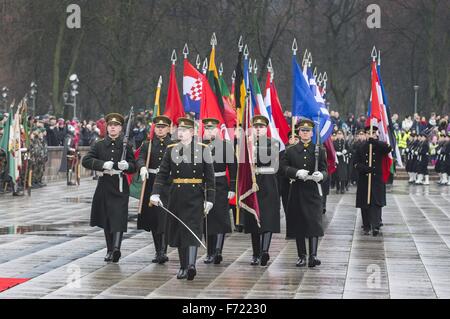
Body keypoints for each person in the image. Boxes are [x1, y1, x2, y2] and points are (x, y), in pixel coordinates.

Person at [150, 117, 215, 281]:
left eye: (185, 130)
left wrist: (210, 199)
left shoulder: (203, 149)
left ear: (192, 132)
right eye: (180, 130)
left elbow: (210, 177)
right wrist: (155, 192)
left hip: (195, 195)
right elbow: (163, 173)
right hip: (177, 194)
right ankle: (183, 266)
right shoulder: (171, 149)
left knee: (193, 228)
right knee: (180, 230)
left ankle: (191, 265)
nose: (181, 133)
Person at [82, 113, 137, 263]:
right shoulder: (99, 145)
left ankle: (117, 248)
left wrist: (127, 166)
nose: (113, 127)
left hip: (119, 185)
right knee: (107, 218)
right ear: (107, 127)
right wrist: (101, 165)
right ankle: (110, 249)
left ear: (120, 128)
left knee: (118, 217)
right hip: (105, 183)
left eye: (116, 125)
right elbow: (86, 160)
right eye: (110, 125)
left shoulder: (127, 145)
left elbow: (134, 166)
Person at [281, 118, 328, 267]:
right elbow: (283, 169)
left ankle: (313, 256)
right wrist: (295, 172)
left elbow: (325, 169)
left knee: (314, 223)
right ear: (298, 132)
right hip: (297, 190)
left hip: (313, 190)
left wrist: (322, 175)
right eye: (302, 130)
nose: (305, 133)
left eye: (308, 131)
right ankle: (302, 255)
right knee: (299, 224)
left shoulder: (318, 150)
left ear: (312, 133)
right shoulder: (291, 150)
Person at [243, 115, 280, 267]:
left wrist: (254, 148)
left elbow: (269, 157)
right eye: (256, 127)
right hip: (252, 182)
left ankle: (264, 251)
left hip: (268, 182)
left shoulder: (274, 143)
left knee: (268, 217)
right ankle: (255, 253)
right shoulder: (247, 144)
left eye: (261, 127)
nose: (258, 129)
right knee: (253, 217)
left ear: (266, 129)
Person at [137, 115, 172, 264]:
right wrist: (142, 167)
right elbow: (140, 157)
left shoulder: (173, 145)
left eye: (163, 127)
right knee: (154, 219)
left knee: (164, 218)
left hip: (168, 185)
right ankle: (159, 250)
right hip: (152, 184)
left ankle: (163, 250)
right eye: (158, 127)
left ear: (169, 128)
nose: (160, 129)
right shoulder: (148, 144)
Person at [202, 118, 237, 265]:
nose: (210, 131)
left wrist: (232, 188)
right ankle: (209, 251)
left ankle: (217, 251)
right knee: (206, 219)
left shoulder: (225, 146)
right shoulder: (200, 146)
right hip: (204, 186)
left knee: (220, 218)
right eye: (207, 129)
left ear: (218, 131)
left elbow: (233, 168)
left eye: (212, 129)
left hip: (221, 184)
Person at [353, 124, 392, 236]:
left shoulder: (379, 145)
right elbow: (355, 163)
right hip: (365, 179)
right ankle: (366, 226)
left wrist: (374, 142)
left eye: (374, 133)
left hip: (376, 180)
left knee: (376, 203)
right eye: (369, 133)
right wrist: (366, 169)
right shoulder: (361, 147)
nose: (371, 135)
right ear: (365, 134)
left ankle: (375, 226)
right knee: (364, 204)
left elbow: (388, 148)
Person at [333, 129, 349, 194]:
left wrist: (346, 151)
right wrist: (335, 152)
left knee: (343, 174)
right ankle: (337, 188)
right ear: (336, 135)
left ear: (342, 135)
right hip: (337, 160)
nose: (339, 135)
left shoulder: (345, 142)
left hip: (343, 159)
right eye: (338, 134)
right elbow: (332, 150)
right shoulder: (334, 142)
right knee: (336, 174)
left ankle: (342, 188)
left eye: (340, 134)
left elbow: (349, 149)